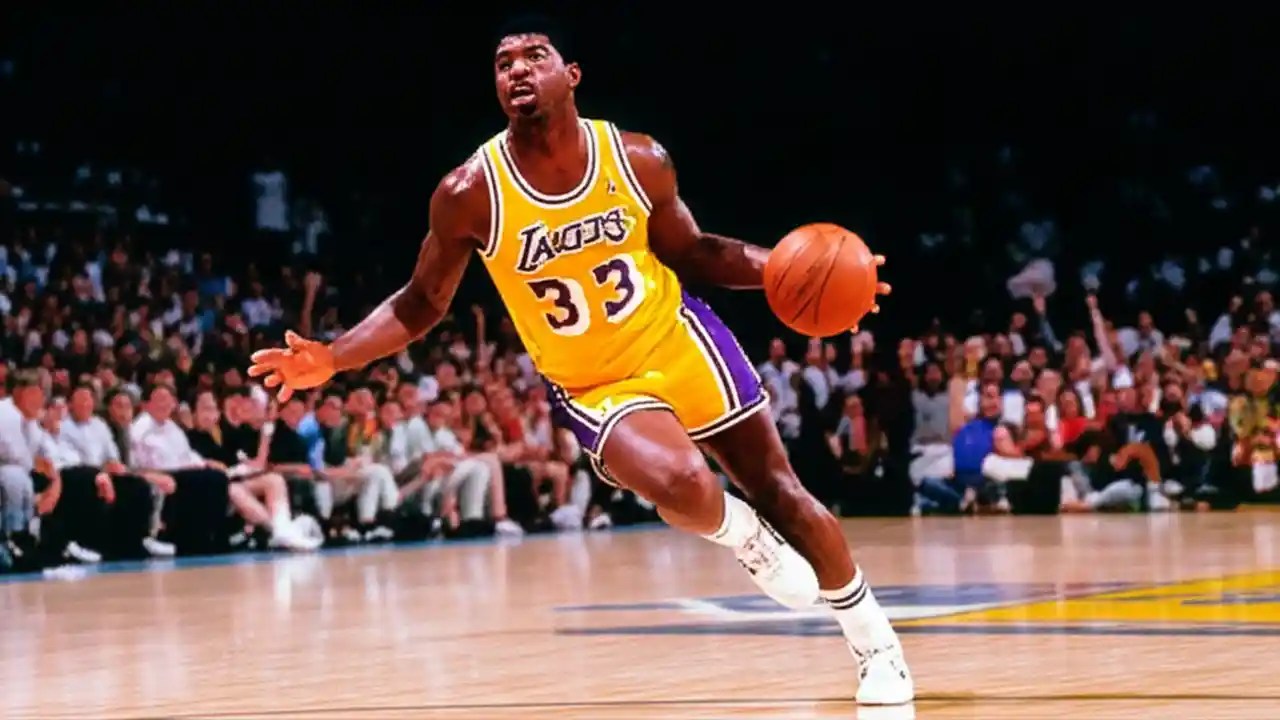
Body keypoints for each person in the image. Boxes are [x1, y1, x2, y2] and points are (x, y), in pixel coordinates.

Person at [248, 17, 910, 704]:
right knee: (685, 484)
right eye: (504, 62)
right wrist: (332, 357)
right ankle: (745, 537)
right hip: (595, 381)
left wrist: (799, 273)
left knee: (784, 491)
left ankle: (875, 645)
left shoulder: (637, 157)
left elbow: (693, 251)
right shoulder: (470, 191)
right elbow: (420, 304)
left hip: (678, 339)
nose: (519, 69)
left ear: (572, 75)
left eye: (536, 55)